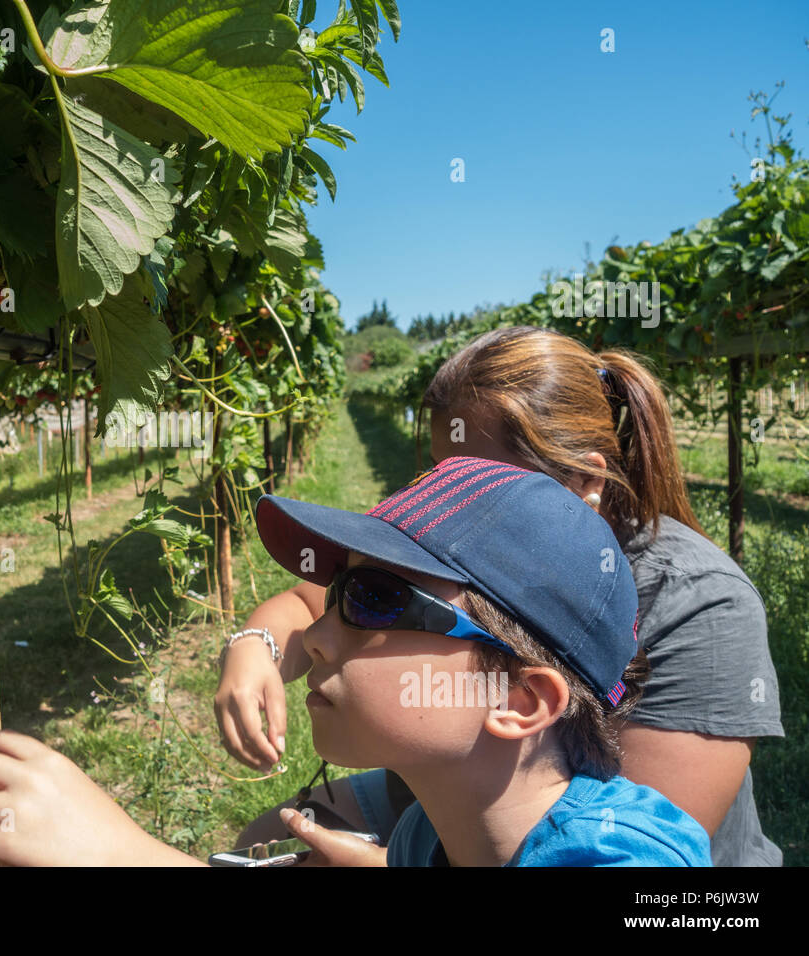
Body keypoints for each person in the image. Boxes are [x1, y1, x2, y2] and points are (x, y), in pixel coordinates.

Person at [0, 457, 711, 866]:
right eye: (334, 590)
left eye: (372, 599)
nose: (321, 634)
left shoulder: (622, 852)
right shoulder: (428, 839)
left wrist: (132, 857)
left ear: (523, 701)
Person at [217, 326, 783, 865]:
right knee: (259, 841)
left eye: (485, 476)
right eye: (443, 469)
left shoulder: (700, 604)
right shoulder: (457, 540)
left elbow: (633, 831)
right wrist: (255, 644)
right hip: (444, 805)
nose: (453, 494)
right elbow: (311, 602)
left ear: (588, 481)